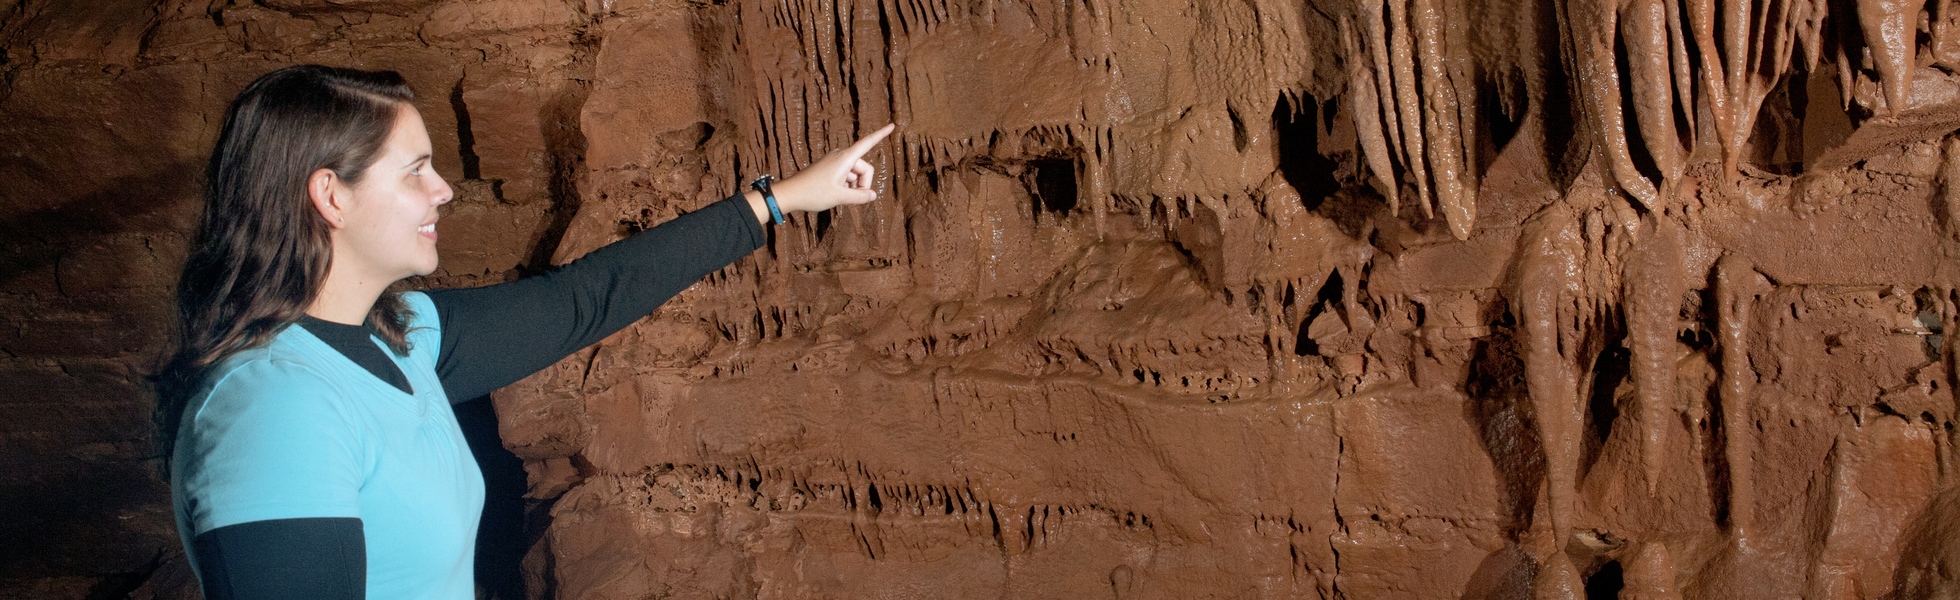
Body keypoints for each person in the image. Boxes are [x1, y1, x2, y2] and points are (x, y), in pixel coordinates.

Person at [152, 64, 894, 599]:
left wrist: (785, 197)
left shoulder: (397, 338)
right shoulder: (275, 410)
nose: (443, 190)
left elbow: (581, 301)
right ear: (330, 195)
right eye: (415, 171)